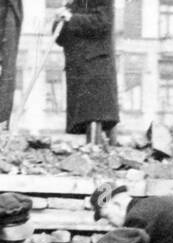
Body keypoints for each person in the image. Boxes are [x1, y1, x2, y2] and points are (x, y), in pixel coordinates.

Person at [54, 1, 119, 144]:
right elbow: (59, 38)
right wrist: (58, 20)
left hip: (95, 66)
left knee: (96, 116)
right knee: (86, 118)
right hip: (78, 67)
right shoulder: (73, 3)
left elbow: (103, 22)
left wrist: (71, 18)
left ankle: (99, 154)